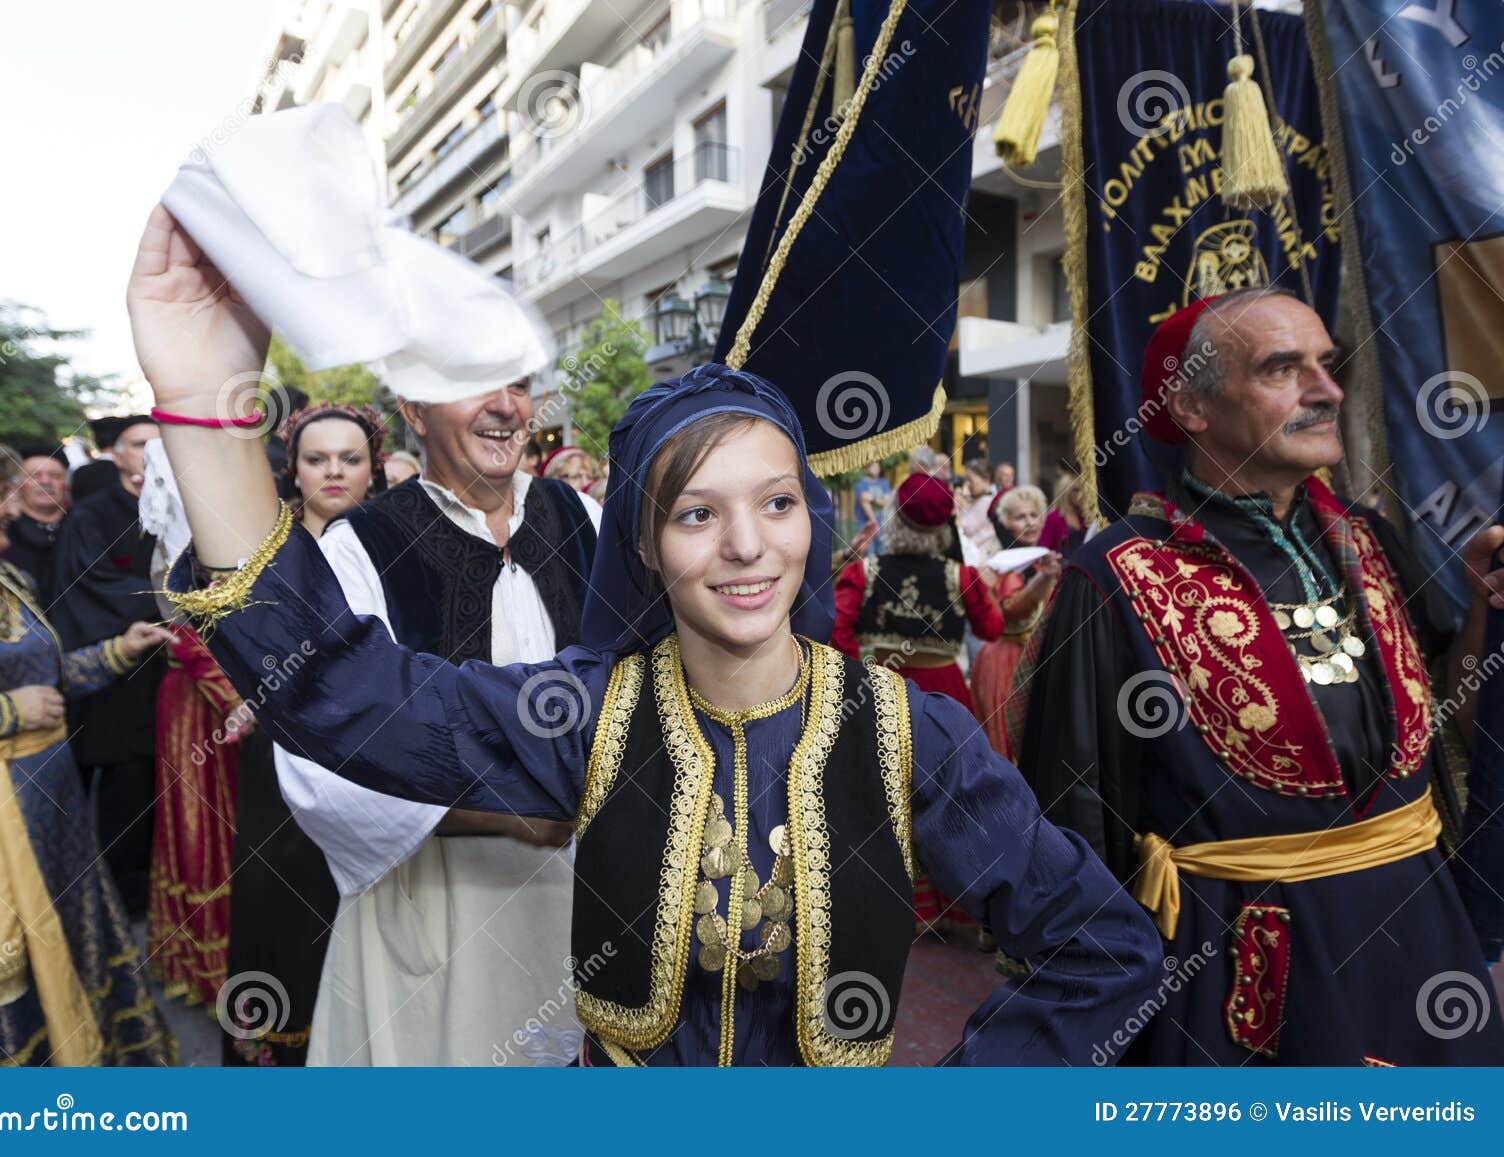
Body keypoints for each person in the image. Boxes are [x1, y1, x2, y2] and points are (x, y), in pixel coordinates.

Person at [127, 202, 1160, 1065]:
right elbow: (339, 694)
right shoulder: (589, 715)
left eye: (778, 503)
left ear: (812, 518)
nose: (747, 545)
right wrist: (201, 399)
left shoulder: (904, 732)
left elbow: (1105, 949)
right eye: (698, 512)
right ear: (647, 545)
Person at [1018, 287, 1504, 1064]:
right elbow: (1071, 822)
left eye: (1327, 364)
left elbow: (1458, 731)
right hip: (1243, 982)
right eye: (1283, 368)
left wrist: (1487, 608)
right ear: (1192, 405)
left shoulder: (1371, 540)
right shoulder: (1113, 576)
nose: (1327, 390)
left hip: (1423, 948)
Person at [265, 372, 599, 1063]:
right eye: (472, 379)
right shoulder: (359, 548)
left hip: (597, 896)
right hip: (444, 902)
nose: (504, 404)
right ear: (414, 410)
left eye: (518, 383)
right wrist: (504, 815)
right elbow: (314, 755)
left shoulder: (584, 518)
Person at [0, 429, 175, 1066]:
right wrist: (5, 713)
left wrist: (118, 651)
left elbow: (48, 683)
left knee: (68, 947)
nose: (13, 506)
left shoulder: (5, 578)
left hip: (56, 818)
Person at [220, 404, 385, 1065]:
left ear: (373, 467)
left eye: (351, 458)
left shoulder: (399, 545)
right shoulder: (261, 548)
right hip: (284, 760)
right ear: (294, 469)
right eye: (318, 459)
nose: (334, 471)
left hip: (378, 758)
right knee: (285, 907)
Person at [831, 472, 1004, 933]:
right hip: (945, 693)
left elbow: (837, 633)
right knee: (946, 792)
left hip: (880, 689)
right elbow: (991, 628)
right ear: (944, 527)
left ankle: (897, 902)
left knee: (880, 793)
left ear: (894, 518)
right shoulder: (961, 576)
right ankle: (955, 900)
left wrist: (861, 674)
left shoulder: (863, 572)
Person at [49, 414, 164, 915]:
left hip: (175, 671)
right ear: (116, 455)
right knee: (126, 787)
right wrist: (172, 600)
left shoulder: (184, 509)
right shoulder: (90, 515)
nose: (151, 453)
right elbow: (88, 585)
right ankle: (123, 900)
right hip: (117, 673)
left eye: (160, 444)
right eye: (139, 444)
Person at [969, 484, 1058, 760]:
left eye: (1034, 515)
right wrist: (1043, 580)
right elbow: (1013, 610)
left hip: (1032, 658)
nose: (1030, 522)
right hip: (1006, 662)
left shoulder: (1039, 559)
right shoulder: (1003, 564)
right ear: (1006, 522)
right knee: (1006, 744)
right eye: (1020, 517)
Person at [0, 447, 69, 610]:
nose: (45, 481)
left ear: (67, 484)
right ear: (17, 485)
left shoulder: (85, 525)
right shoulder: (3, 531)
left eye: (55, 476)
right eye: (34, 476)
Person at [1039, 464, 1089, 559]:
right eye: (1076, 490)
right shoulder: (1053, 518)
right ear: (1065, 492)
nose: (1081, 495)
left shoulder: (1084, 517)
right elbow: (1043, 549)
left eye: (1084, 490)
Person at [852, 461, 891, 559]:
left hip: (883, 526)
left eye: (878, 466)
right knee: (869, 557)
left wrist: (873, 499)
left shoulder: (884, 482)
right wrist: (875, 523)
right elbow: (864, 502)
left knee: (883, 556)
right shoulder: (861, 483)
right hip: (866, 527)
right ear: (867, 468)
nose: (876, 469)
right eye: (874, 466)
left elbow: (887, 502)